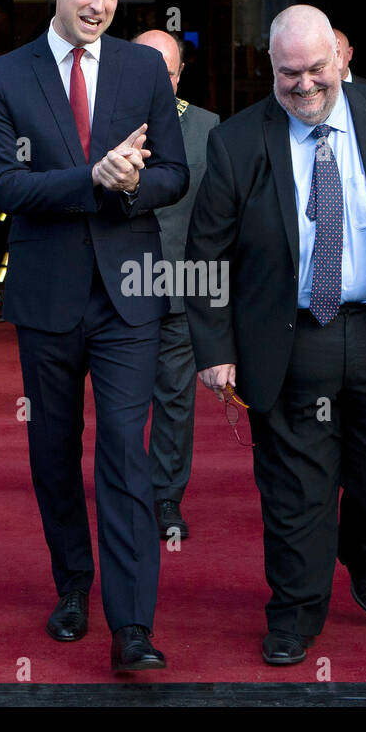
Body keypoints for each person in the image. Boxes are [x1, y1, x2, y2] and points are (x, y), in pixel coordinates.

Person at [185, 5, 366, 664]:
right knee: (295, 491)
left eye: (317, 69)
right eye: (290, 74)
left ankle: (364, 552)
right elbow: (206, 255)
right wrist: (215, 348)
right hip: (289, 340)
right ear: (271, 69)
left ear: (341, 58)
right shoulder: (235, 142)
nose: (305, 85)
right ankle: (295, 609)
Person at [0, 0, 188, 672]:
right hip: (47, 295)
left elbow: (175, 173)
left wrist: (132, 183)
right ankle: (73, 584)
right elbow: (5, 186)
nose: (100, 4)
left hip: (130, 296)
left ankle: (133, 625)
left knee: (124, 455)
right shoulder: (5, 75)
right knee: (52, 452)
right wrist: (90, 177)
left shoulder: (141, 67)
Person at [133, 29, 220, 540]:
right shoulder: (106, 119)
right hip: (116, 289)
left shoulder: (208, 127)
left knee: (174, 400)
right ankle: (123, 487)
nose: (155, 81)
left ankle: (166, 496)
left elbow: (218, 216)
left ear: (179, 74)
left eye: (164, 71)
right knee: (121, 400)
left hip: (181, 286)